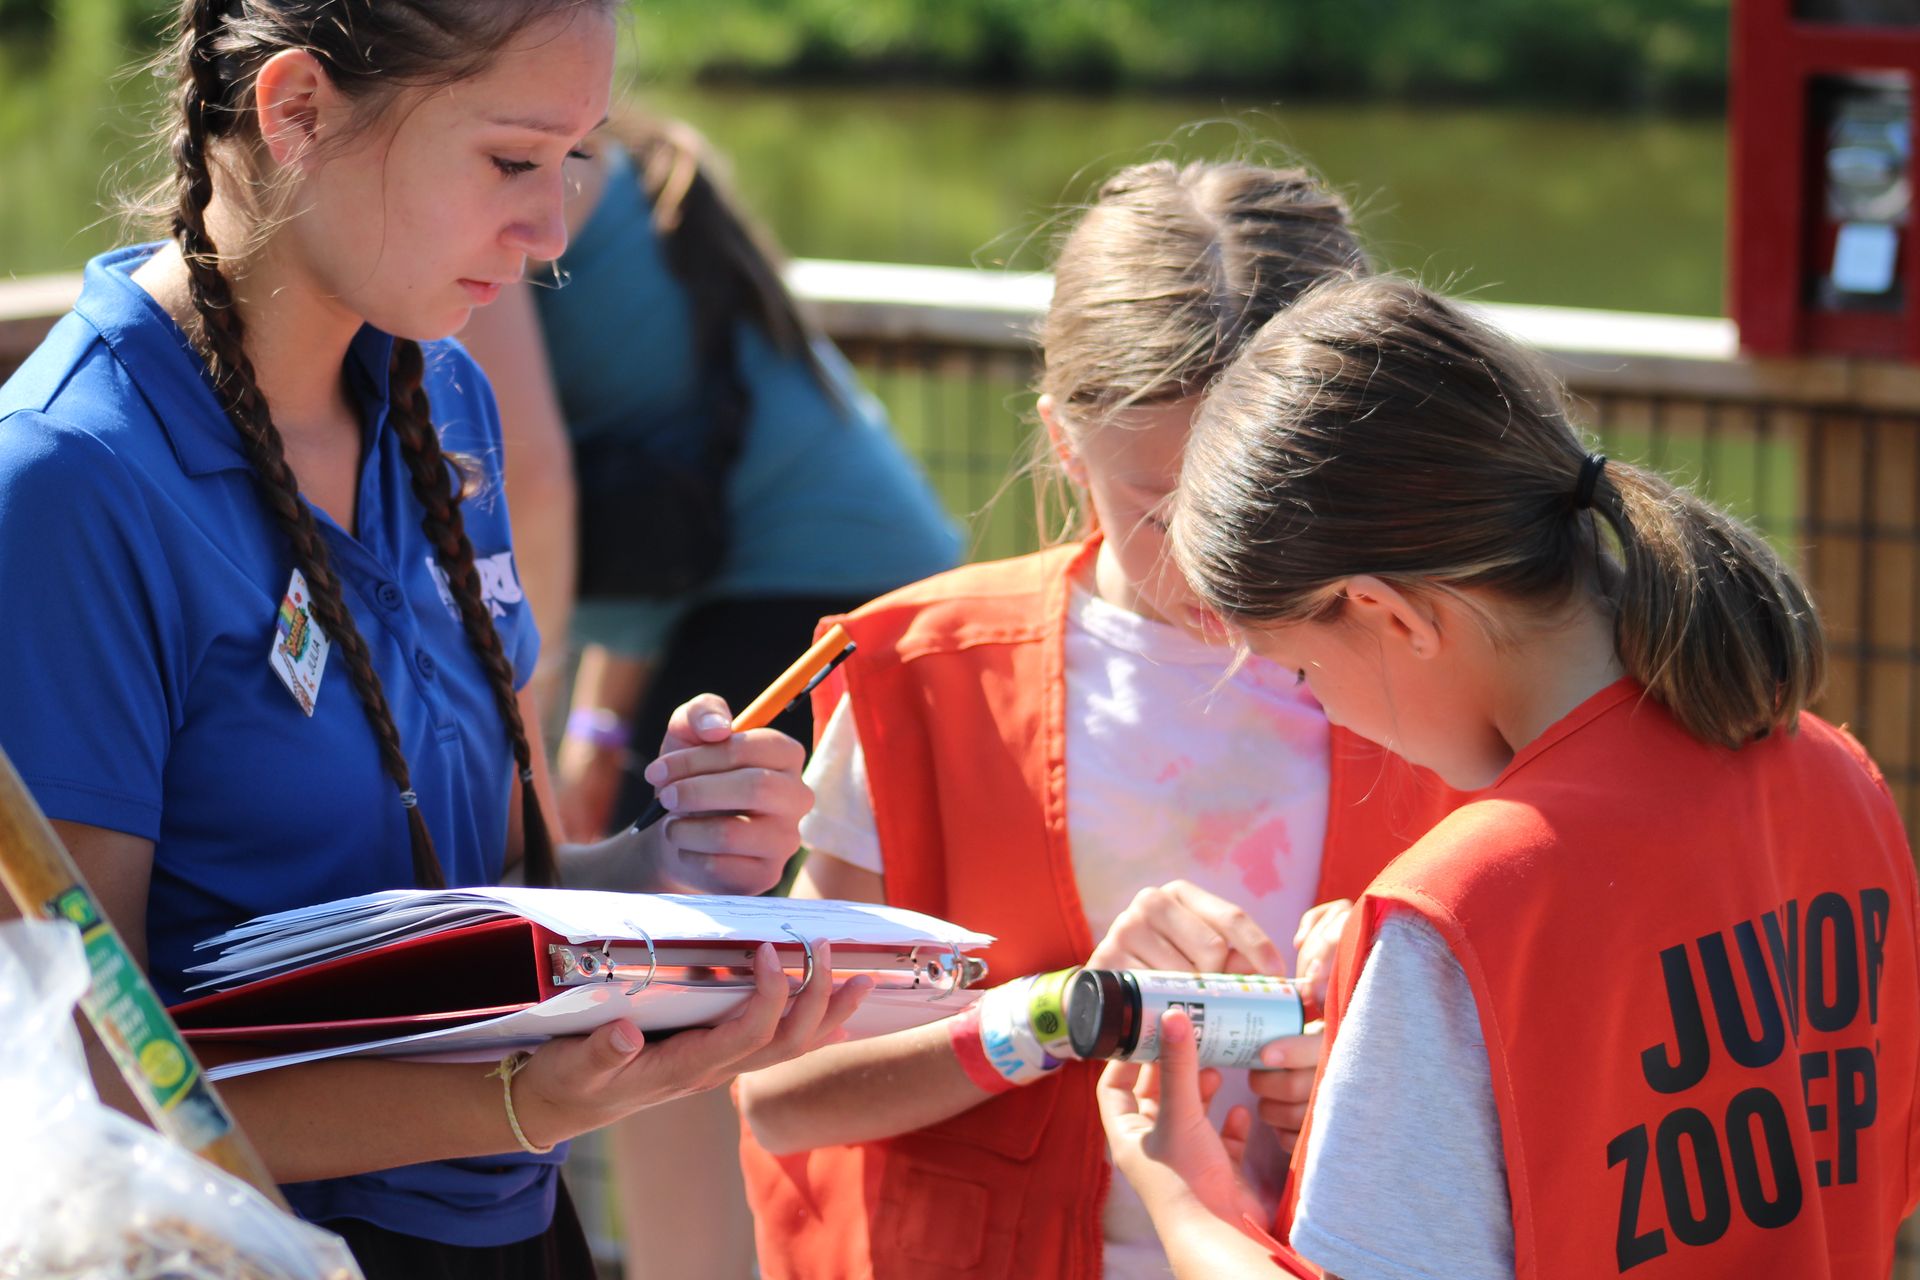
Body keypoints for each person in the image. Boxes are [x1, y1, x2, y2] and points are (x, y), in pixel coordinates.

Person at [0, 4, 867, 1276]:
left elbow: (494, 885)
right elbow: (99, 1077)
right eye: (514, 159)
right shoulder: (67, 482)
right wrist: (525, 1103)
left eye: (575, 159)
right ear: (296, 109)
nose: (553, 231)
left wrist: (674, 862)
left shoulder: (438, 389)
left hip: (518, 1231)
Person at [1099, 274, 1920, 1278]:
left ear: (1390, 613)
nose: (1325, 706)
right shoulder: (1839, 778)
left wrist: (1187, 1201)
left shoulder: (1454, 912)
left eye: (1305, 671)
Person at [733, 158, 1459, 1280]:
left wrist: (1381, 1091)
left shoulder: (1453, 676)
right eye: (1162, 506)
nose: (1224, 557)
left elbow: (1566, 1082)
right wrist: (1058, 1014)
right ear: (1066, 442)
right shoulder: (931, 675)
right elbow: (780, 1096)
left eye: (1277, 497)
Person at [459, 113, 962, 1279]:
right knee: (756, 976)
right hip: (861, 578)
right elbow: (654, 505)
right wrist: (587, 729)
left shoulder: (491, 170)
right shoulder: (610, 161)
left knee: (672, 987)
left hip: (793, 602)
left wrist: (516, 732)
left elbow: (527, 480)